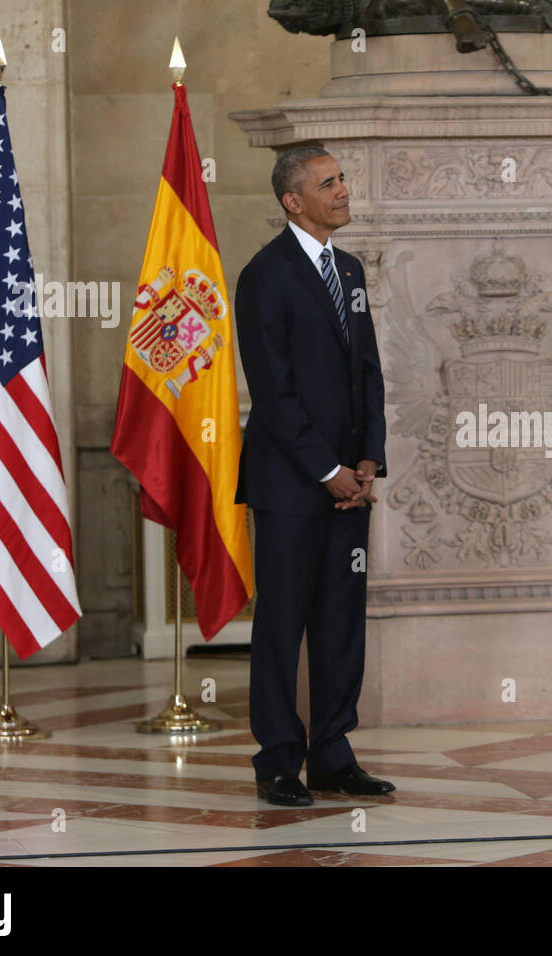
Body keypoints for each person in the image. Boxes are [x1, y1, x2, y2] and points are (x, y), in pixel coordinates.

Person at [233, 145, 395, 806]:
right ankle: (277, 758)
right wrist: (326, 469)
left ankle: (332, 751)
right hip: (289, 486)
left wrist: (366, 460)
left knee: (340, 621)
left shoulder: (349, 269)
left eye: (343, 179)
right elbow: (274, 393)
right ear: (292, 201)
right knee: (282, 623)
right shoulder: (263, 276)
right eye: (327, 184)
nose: (343, 191)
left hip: (348, 487)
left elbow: (368, 374)